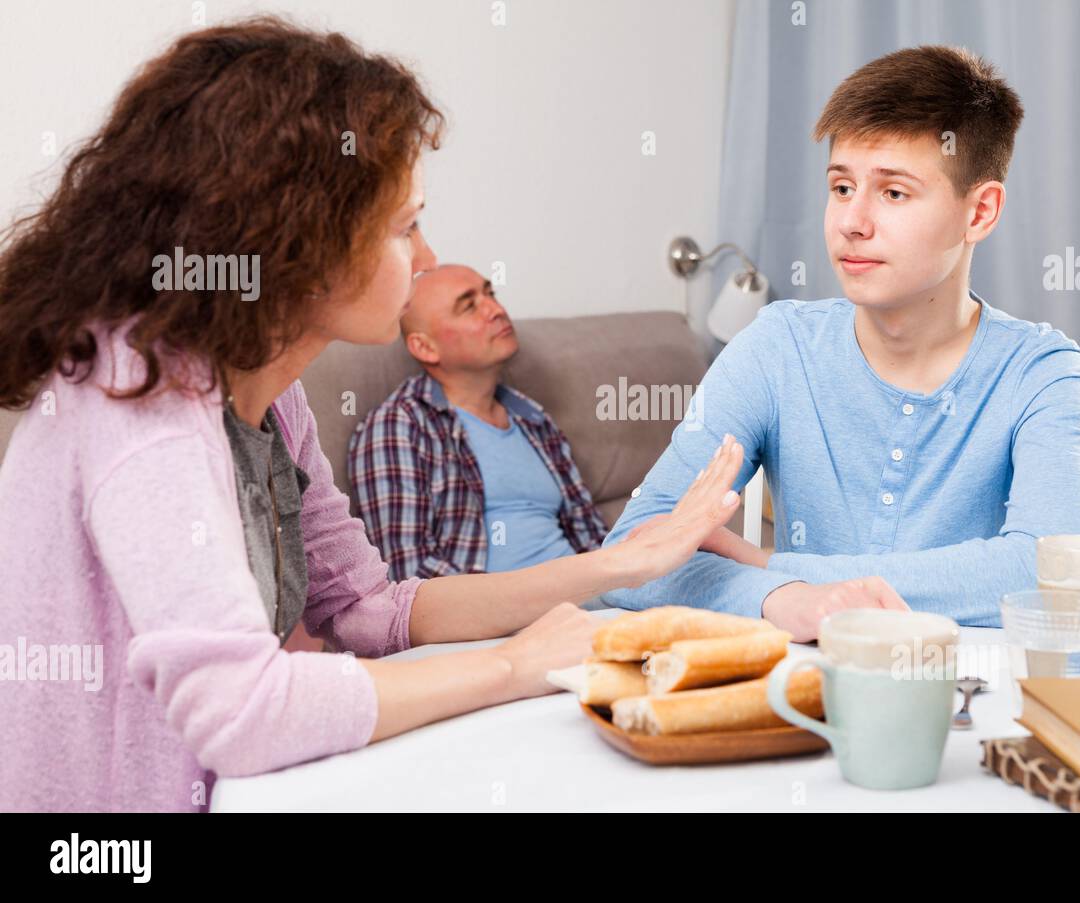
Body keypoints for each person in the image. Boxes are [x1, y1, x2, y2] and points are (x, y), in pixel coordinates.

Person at [0, 17, 745, 812]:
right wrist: (510, 666)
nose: (423, 256)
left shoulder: (267, 387)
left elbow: (367, 610)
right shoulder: (137, 390)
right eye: (403, 226)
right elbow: (240, 709)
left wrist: (618, 564)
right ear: (300, 242)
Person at [603, 45, 1080, 640]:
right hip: (806, 691)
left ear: (980, 212)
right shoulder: (777, 347)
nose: (851, 222)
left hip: (970, 695)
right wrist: (782, 598)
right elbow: (630, 558)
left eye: (893, 193)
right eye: (842, 187)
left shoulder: (1043, 372)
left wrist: (780, 571)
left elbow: (1057, 572)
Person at [350, 264, 607, 581]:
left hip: (589, 600)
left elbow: (591, 538)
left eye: (491, 294)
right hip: (500, 621)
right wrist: (527, 604)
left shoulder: (531, 418)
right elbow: (410, 574)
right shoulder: (397, 428)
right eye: (469, 306)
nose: (496, 310)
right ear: (425, 347)